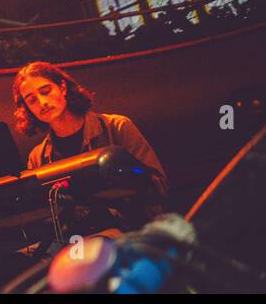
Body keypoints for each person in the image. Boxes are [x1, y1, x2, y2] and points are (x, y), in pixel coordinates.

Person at [12, 61, 168, 238]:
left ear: (62, 88)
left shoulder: (116, 127)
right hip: (76, 241)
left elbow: (158, 185)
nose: (42, 102)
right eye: (31, 100)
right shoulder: (37, 157)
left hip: (132, 233)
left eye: (46, 91)